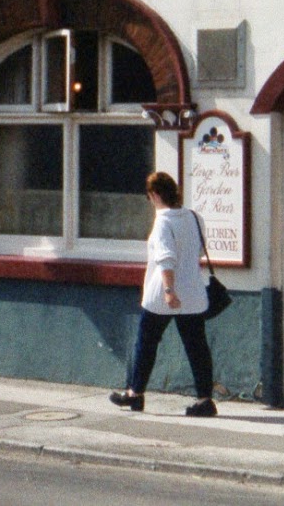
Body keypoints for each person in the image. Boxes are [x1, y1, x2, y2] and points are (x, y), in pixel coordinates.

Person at [110, 171, 217, 417]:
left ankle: (135, 393)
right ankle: (205, 400)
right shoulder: (194, 217)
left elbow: (166, 259)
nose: (150, 201)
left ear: (155, 195)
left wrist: (169, 290)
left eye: (149, 196)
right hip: (193, 293)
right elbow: (199, 251)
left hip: (163, 296)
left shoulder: (163, 221)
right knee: (197, 347)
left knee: (146, 343)